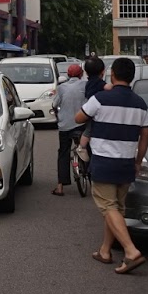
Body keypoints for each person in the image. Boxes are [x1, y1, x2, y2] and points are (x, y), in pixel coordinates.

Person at [76, 57, 148, 274]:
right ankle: (105, 250)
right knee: (116, 208)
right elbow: (145, 135)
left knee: (108, 207)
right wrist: (138, 161)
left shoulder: (100, 99)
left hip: (104, 162)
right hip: (127, 163)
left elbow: (79, 117)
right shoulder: (141, 104)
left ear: (112, 75)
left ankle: (130, 251)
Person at [51, 63, 90, 196]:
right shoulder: (85, 85)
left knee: (63, 153)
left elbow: (54, 104)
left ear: (68, 75)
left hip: (65, 126)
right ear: (81, 74)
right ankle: (91, 177)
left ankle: (60, 187)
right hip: (81, 124)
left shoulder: (61, 88)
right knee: (86, 148)